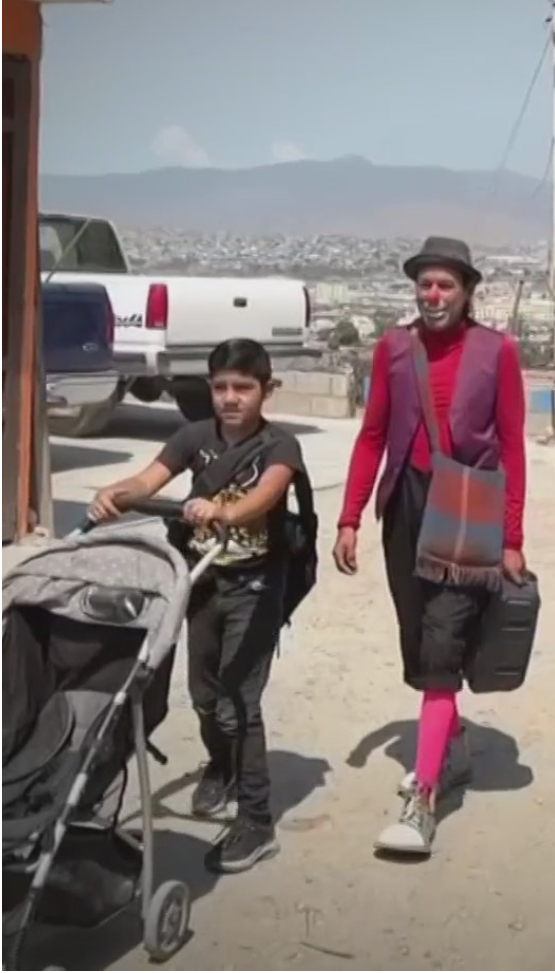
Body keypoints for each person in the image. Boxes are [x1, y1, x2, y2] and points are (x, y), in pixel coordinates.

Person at [334, 237, 528, 856]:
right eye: (426, 284)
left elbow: (515, 445)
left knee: (443, 640)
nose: (434, 295)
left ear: (468, 291)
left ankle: (422, 800)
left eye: (446, 285)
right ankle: (452, 746)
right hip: (407, 506)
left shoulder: (497, 352)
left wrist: (513, 537)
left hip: (469, 506)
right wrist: (349, 517)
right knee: (418, 636)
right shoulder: (393, 348)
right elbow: (371, 435)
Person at [88, 339, 308, 873]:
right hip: (202, 580)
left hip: (255, 584)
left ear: (266, 391)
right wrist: (117, 492)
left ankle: (256, 821)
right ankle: (220, 765)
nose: (231, 398)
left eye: (243, 388)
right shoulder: (194, 437)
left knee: (240, 699)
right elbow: (149, 478)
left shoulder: (280, 448)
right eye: (221, 388)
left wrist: (222, 509)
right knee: (204, 695)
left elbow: (264, 497)